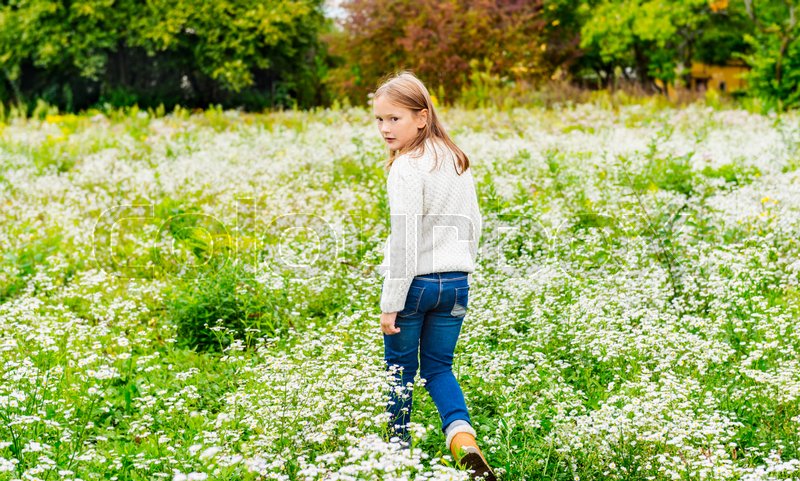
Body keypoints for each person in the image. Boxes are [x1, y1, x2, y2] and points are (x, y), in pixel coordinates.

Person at [373, 71, 497, 481]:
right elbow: (474, 223)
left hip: (416, 286)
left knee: (400, 374)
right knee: (440, 368)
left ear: (422, 117)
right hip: (456, 281)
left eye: (395, 119)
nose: (385, 129)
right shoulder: (454, 157)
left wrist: (391, 303)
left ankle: (396, 458)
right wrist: (462, 265)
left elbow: (405, 240)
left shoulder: (407, 167)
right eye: (379, 120)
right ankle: (463, 442)